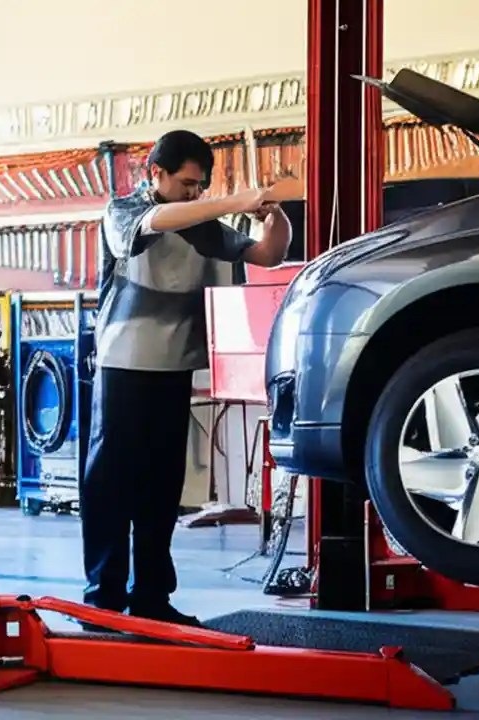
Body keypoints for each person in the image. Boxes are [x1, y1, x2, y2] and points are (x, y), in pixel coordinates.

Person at [81, 129, 291, 627]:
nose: (194, 194)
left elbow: (268, 255)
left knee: (160, 490)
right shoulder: (124, 211)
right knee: (110, 487)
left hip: (174, 371)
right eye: (187, 183)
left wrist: (273, 217)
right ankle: (103, 600)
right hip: (123, 368)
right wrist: (231, 200)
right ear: (155, 174)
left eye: (200, 186)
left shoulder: (204, 225)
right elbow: (158, 220)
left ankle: (152, 596)